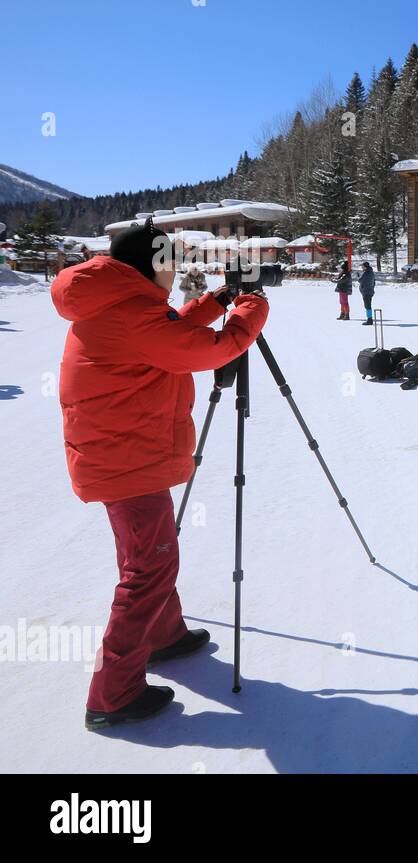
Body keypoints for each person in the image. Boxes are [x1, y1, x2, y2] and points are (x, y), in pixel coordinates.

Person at [52, 220, 269, 729]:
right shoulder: (131, 311)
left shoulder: (117, 300)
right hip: (127, 461)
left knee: (147, 556)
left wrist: (219, 301)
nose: (176, 274)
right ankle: (112, 695)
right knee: (149, 568)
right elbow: (205, 350)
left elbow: (168, 328)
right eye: (171, 263)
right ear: (153, 265)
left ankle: (163, 635)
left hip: (120, 454)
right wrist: (250, 309)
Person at [358, 261, 376, 325]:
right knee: (368, 306)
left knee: (368, 306)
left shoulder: (365, 273)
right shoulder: (371, 272)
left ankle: (370, 319)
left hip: (366, 291)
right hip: (370, 291)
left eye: (362, 266)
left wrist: (359, 275)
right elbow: (374, 282)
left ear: (365, 267)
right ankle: (369, 319)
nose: (362, 267)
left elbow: (360, 280)